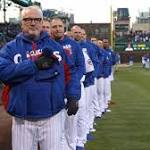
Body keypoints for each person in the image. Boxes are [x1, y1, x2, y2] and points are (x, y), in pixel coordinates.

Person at [0, 6, 81, 150]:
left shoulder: (55, 47)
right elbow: (4, 72)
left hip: (52, 116)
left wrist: (73, 95)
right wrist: (34, 65)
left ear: (42, 21)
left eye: (37, 19)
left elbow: (71, 72)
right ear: (21, 23)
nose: (33, 23)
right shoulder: (10, 48)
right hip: (22, 118)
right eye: (28, 19)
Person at [50, 18, 85, 150]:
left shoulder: (73, 45)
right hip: (53, 91)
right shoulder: (45, 44)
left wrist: (74, 86)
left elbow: (80, 66)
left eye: (60, 26)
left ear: (64, 28)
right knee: (54, 129)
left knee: (70, 125)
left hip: (70, 89)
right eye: (54, 26)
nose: (57, 29)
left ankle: (72, 147)